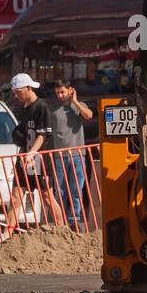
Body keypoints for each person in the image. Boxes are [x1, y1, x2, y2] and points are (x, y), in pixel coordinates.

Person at [7, 73, 64, 230]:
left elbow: (43, 134)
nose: (16, 95)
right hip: (25, 157)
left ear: (28, 88)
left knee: (47, 196)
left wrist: (32, 153)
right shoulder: (23, 107)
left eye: (18, 91)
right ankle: (8, 233)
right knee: (16, 198)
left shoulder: (41, 107)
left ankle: (61, 229)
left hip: (39, 159)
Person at [49, 78, 93, 230]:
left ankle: (75, 220)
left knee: (76, 190)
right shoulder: (53, 111)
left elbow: (88, 115)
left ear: (70, 90)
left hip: (77, 155)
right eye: (57, 93)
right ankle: (60, 221)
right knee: (59, 191)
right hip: (59, 156)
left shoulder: (79, 106)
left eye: (62, 92)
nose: (60, 96)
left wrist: (75, 101)